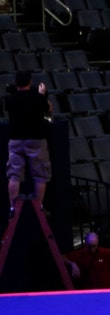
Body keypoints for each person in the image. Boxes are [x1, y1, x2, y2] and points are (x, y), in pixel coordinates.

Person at [6, 71, 53, 217]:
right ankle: (39, 208)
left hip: (16, 140)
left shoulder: (10, 99)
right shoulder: (37, 98)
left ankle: (12, 209)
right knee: (40, 175)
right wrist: (42, 94)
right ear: (30, 82)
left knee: (14, 175)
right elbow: (49, 109)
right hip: (35, 140)